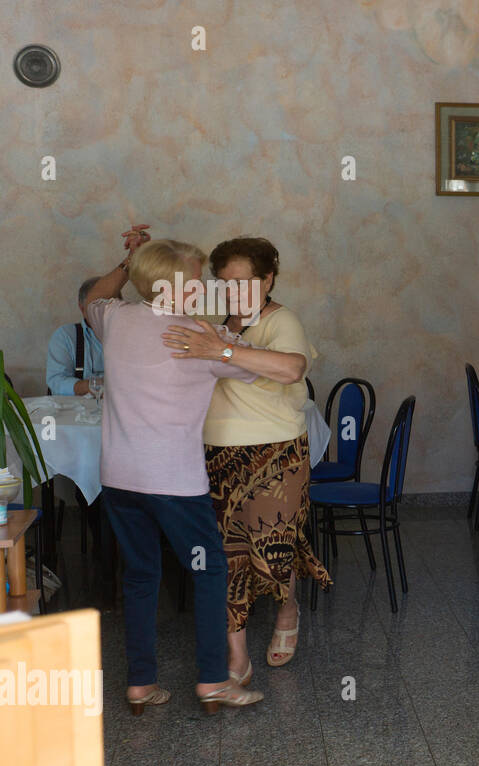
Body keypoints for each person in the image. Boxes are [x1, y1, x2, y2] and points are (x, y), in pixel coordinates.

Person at [81, 226, 263, 713]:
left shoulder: (115, 319)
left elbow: (90, 299)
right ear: (174, 287)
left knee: (140, 575)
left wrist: (128, 259)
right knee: (208, 573)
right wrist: (237, 325)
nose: (202, 287)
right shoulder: (198, 335)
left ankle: (140, 683)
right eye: (197, 280)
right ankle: (212, 682)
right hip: (175, 483)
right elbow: (248, 367)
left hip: (119, 477)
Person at [161, 237, 329, 685]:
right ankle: (237, 658)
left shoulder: (281, 320)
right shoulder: (216, 326)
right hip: (218, 455)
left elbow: (292, 369)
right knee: (226, 555)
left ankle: (288, 609)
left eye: (243, 281)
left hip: (275, 453)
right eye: (224, 282)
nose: (232, 290)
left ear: (268, 279)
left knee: (274, 551)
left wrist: (222, 351)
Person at [46, 279, 106, 395]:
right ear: (82, 308)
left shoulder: (133, 337)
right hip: (78, 410)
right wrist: (95, 386)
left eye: (112, 304)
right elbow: (57, 382)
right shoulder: (65, 336)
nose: (105, 311)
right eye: (97, 306)